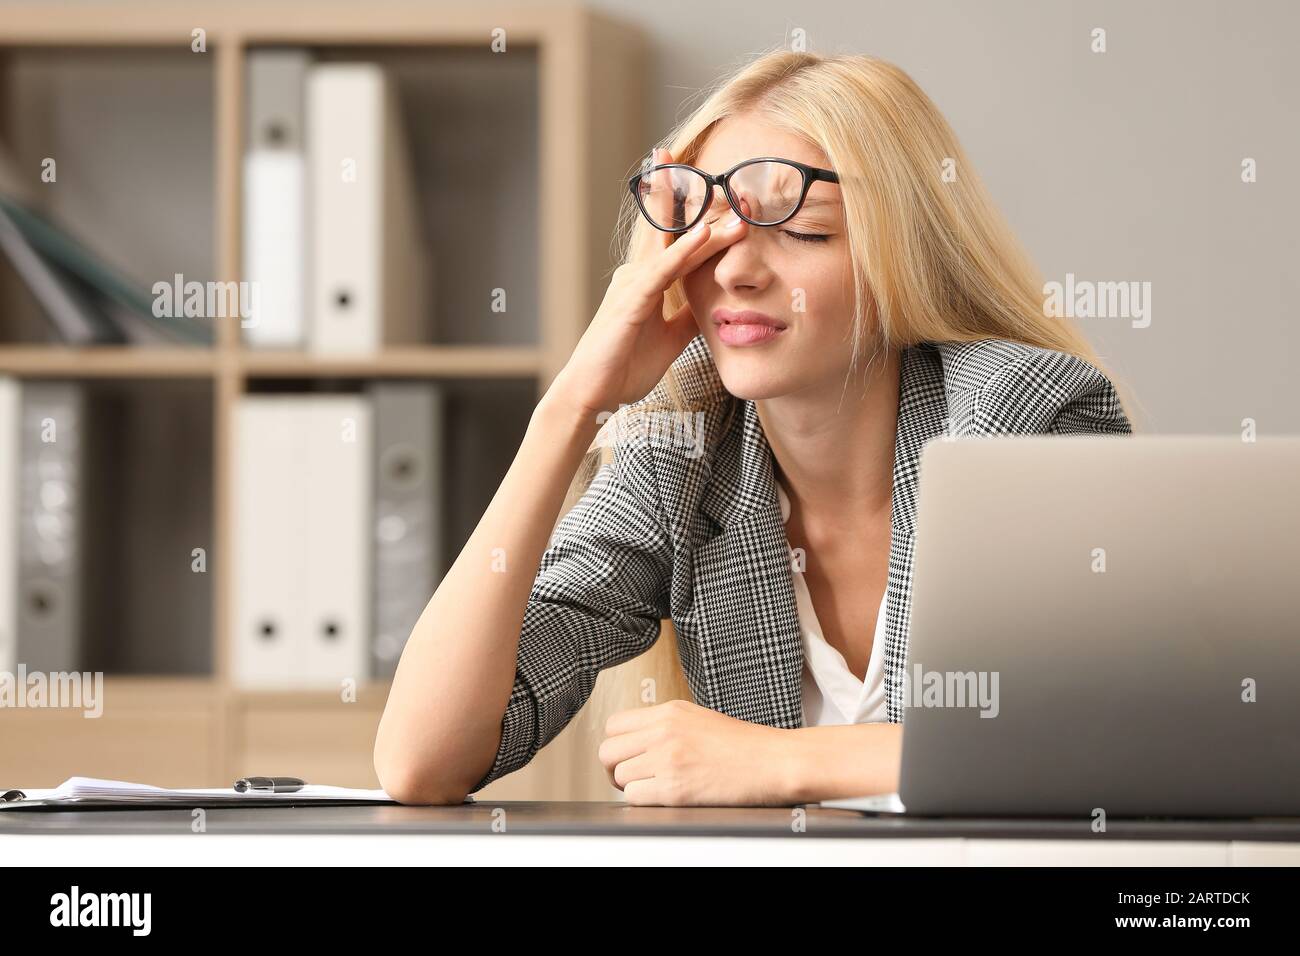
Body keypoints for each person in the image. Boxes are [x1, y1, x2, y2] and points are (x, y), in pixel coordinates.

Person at [373, 48, 1134, 807]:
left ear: (906, 254)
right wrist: (571, 408)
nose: (736, 271)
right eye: (708, 232)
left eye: (800, 228)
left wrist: (783, 762)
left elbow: (1113, 741)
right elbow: (422, 760)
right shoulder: (685, 450)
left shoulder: (1023, 419)